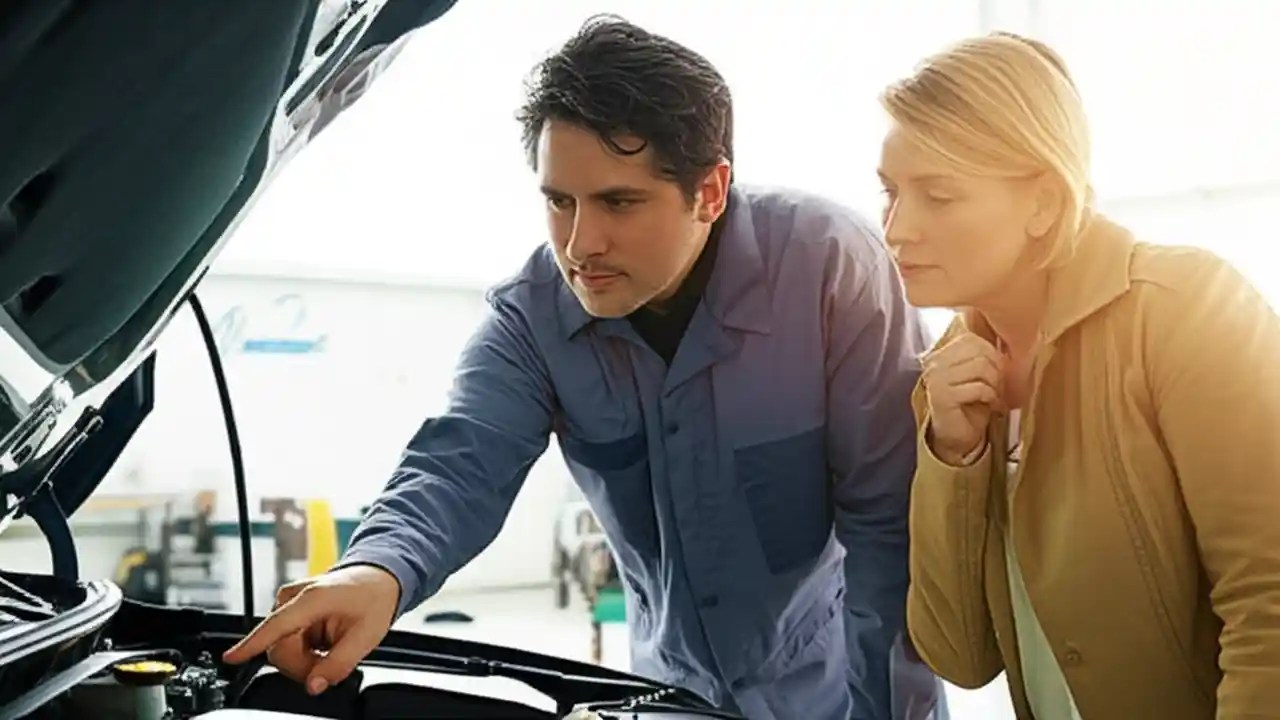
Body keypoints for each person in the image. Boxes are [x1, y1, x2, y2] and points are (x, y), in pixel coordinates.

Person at [223, 15, 944, 720]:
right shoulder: (533, 315)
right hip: (667, 696)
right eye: (559, 201)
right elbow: (459, 463)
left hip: (841, 690)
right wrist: (375, 570)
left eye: (618, 203)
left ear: (711, 191)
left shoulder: (830, 271)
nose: (580, 244)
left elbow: (890, 533)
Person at [877, 31, 1280, 720]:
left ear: (1042, 202)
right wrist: (954, 453)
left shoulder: (1186, 309)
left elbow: (1269, 609)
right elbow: (959, 655)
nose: (895, 229)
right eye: (889, 192)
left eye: (938, 197)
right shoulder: (950, 371)